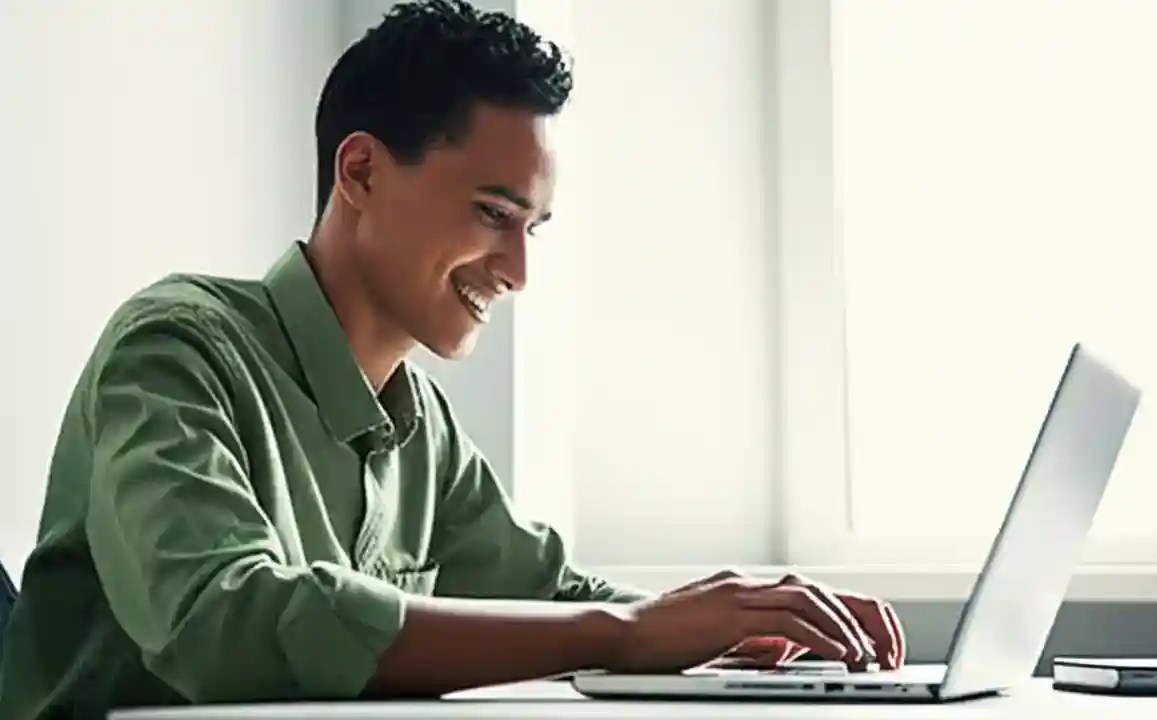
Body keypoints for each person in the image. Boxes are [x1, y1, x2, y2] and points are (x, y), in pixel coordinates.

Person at [0, 1, 905, 717]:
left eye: (533, 228)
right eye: (491, 214)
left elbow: (552, 595)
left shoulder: (416, 422)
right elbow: (228, 621)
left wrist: (731, 630)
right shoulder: (174, 350)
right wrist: (623, 633)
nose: (517, 271)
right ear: (359, 174)